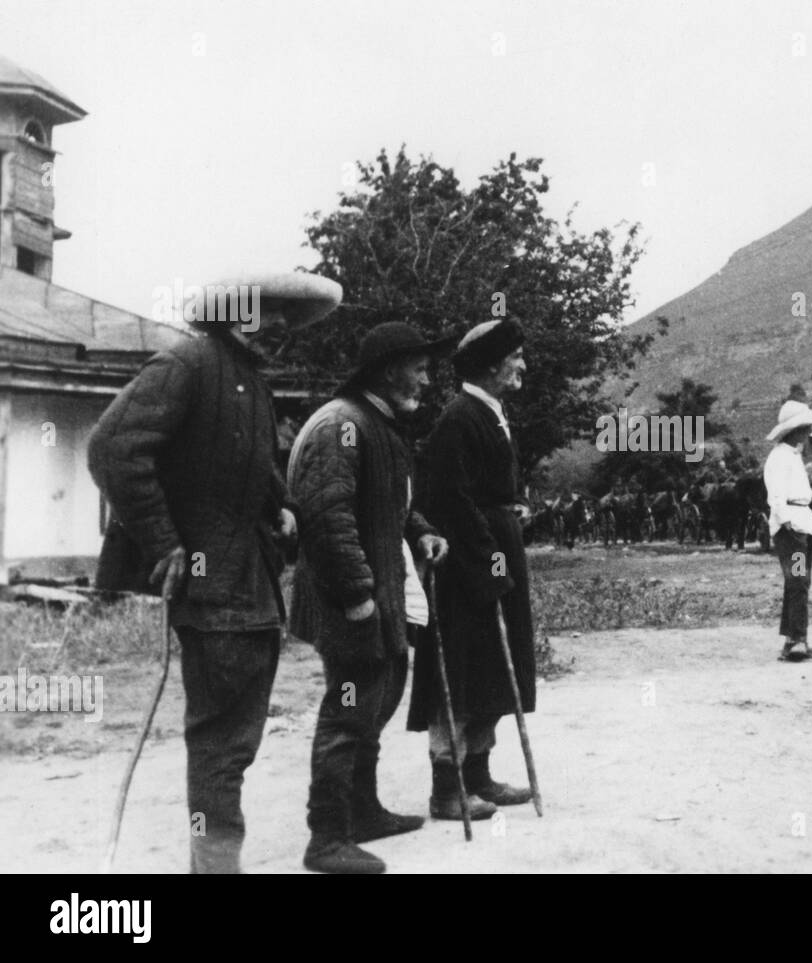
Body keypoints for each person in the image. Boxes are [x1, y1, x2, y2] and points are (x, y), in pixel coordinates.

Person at [88, 272, 342, 873]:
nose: (281, 327)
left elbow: (243, 463)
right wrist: (163, 543)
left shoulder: (248, 380)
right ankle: (214, 868)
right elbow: (114, 448)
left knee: (235, 740)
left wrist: (278, 503)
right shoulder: (188, 364)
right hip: (211, 588)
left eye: (286, 315)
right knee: (220, 743)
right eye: (268, 311)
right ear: (233, 312)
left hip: (248, 587)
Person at [290, 322, 454, 874]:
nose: (428, 380)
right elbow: (326, 515)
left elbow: (394, 506)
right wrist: (357, 594)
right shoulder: (341, 426)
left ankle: (363, 812)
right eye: (420, 368)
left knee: (377, 703)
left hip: (382, 593)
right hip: (352, 598)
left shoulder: (382, 427)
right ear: (388, 371)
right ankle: (326, 838)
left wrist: (422, 531)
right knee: (350, 710)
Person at [408, 318, 535, 820]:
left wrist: (518, 503)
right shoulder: (459, 418)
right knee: (460, 672)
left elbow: (498, 485)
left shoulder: (493, 413)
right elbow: (453, 502)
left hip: (497, 558)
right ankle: (446, 789)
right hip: (469, 569)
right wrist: (489, 566)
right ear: (491, 364)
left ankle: (479, 773)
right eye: (516, 356)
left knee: (494, 672)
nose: (523, 364)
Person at [762, 400, 812, 663]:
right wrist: (787, 522)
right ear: (795, 429)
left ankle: (794, 639)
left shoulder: (792, 455)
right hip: (792, 527)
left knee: (800, 582)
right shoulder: (779, 457)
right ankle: (797, 639)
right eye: (806, 426)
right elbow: (776, 495)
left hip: (803, 522)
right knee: (798, 580)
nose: (810, 430)